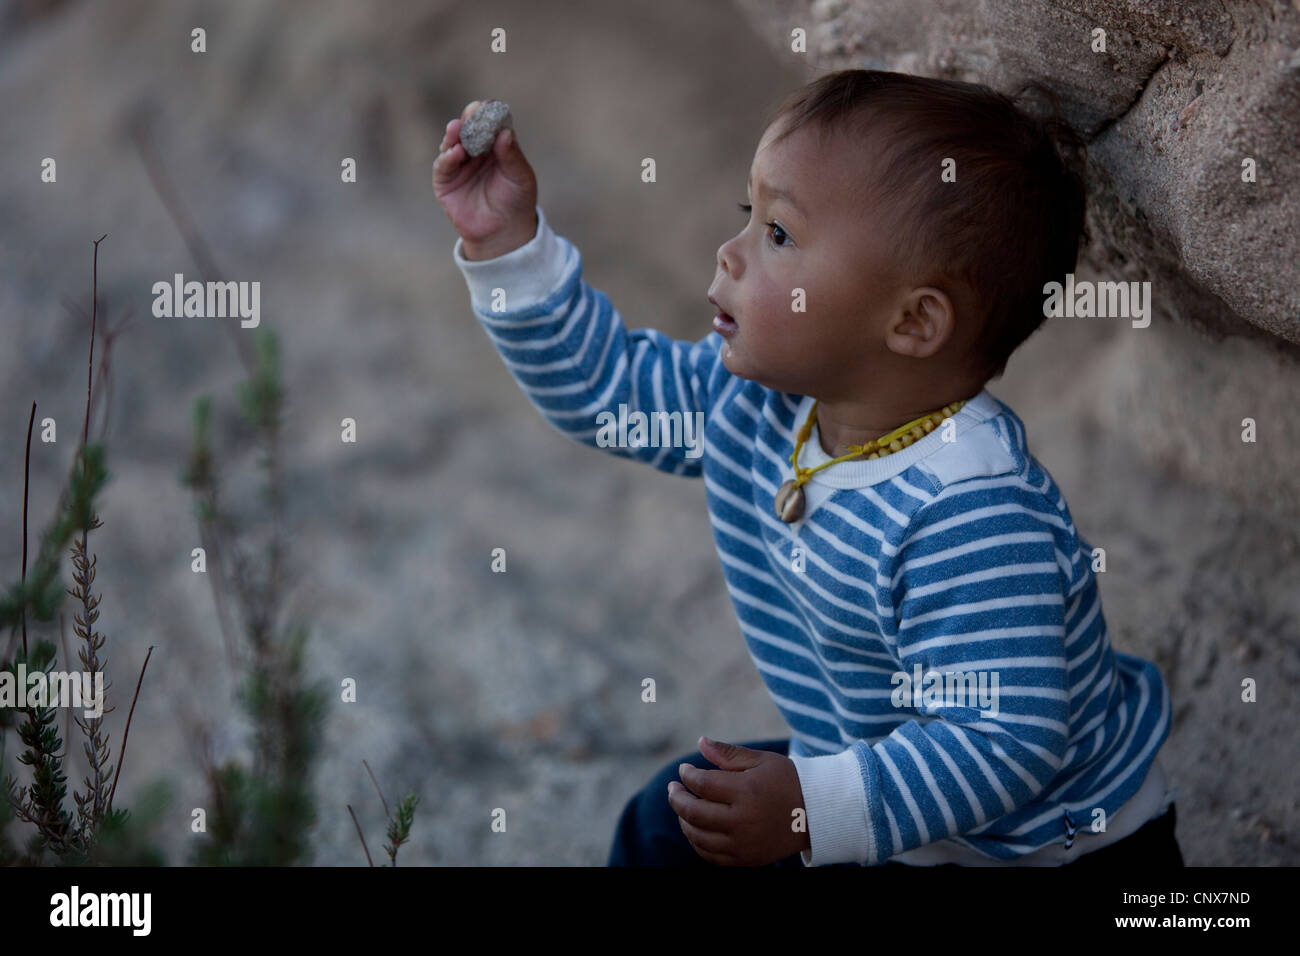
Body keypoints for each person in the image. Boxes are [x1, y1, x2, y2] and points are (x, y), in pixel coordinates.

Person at [433, 70, 1183, 868]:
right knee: (669, 822)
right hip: (869, 797)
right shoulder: (762, 404)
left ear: (912, 320)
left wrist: (808, 808)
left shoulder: (969, 509)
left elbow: (1006, 741)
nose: (731, 253)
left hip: (1043, 849)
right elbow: (609, 391)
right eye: (746, 217)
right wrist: (507, 246)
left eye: (780, 235)